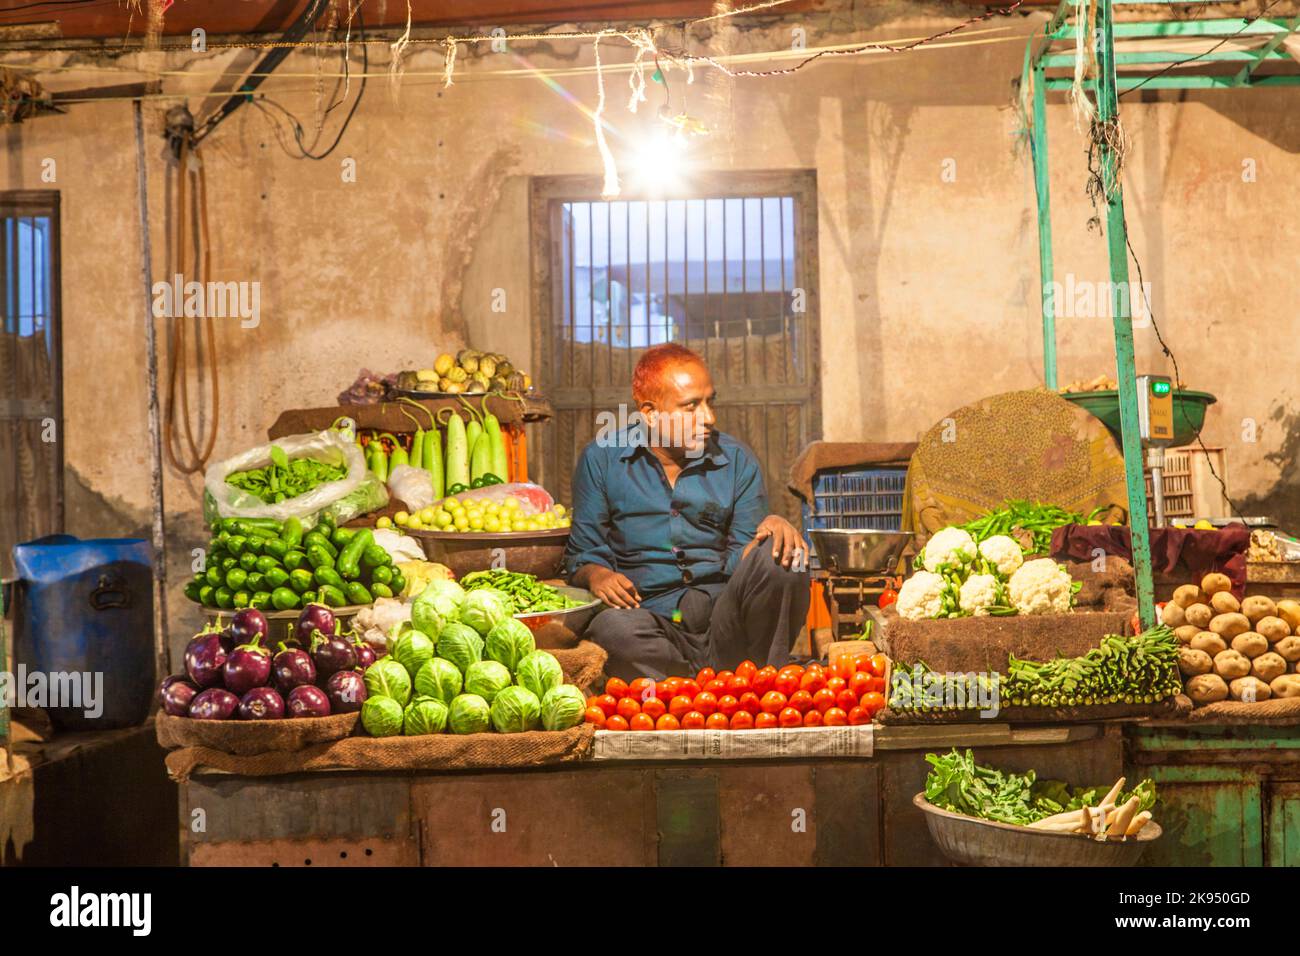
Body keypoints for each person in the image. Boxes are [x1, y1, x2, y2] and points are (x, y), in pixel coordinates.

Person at [564, 342, 811, 681]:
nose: (708, 417)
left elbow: (746, 559)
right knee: (612, 630)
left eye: (710, 402)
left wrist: (772, 531)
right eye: (691, 406)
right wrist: (597, 575)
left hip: (726, 622)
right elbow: (581, 554)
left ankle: (764, 678)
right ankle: (707, 684)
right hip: (650, 621)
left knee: (786, 556)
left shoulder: (736, 460)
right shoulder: (602, 460)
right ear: (650, 413)